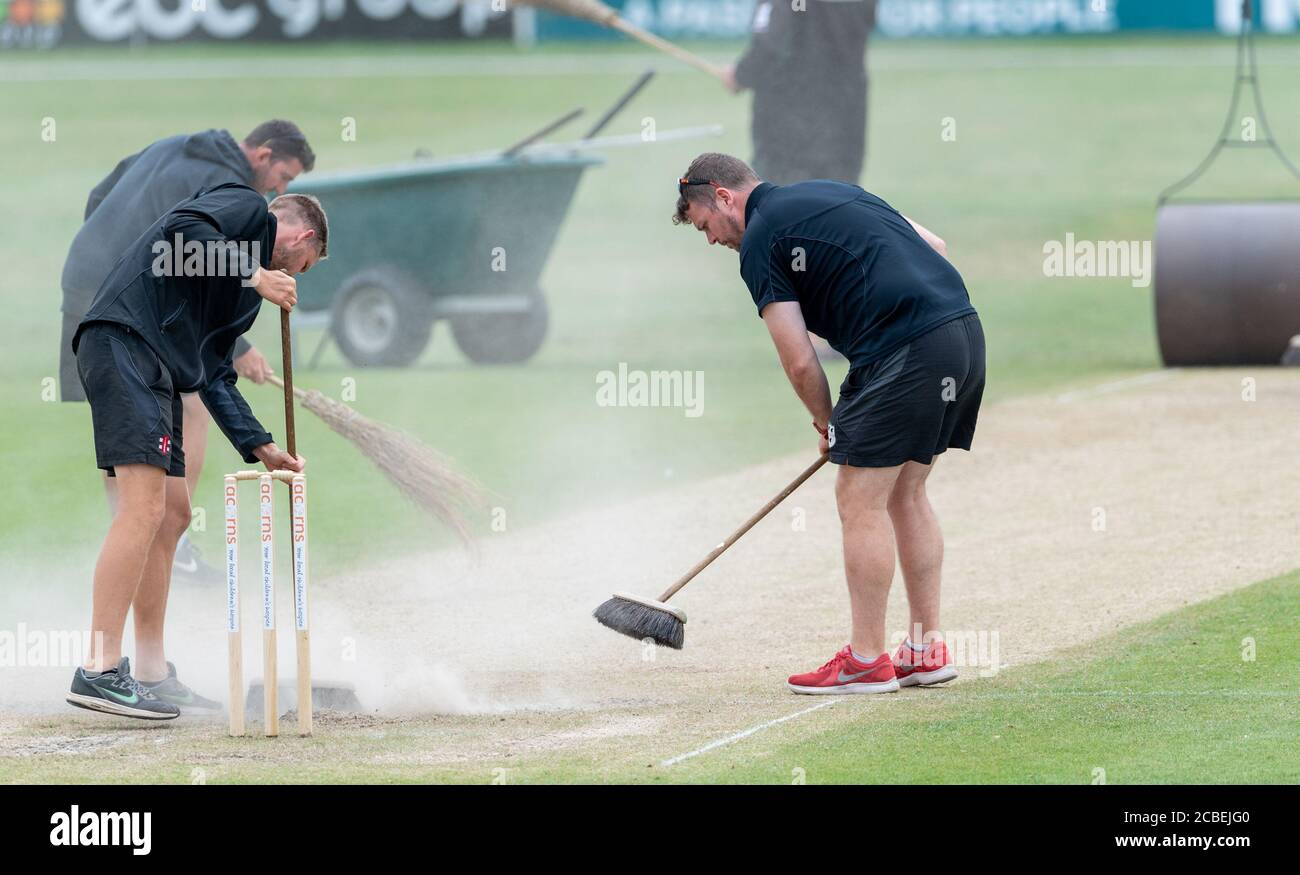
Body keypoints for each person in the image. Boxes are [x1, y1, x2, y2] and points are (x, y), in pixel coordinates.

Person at [672, 153, 984, 694]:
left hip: (904, 350)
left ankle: (865, 661)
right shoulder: (833, 190)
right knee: (906, 493)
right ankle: (924, 648)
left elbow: (797, 358)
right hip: (960, 335)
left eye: (704, 225)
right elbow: (934, 246)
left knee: (858, 497)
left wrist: (827, 421)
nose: (710, 240)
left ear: (723, 197)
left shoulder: (761, 242)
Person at [66, 186, 329, 720]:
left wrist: (262, 446)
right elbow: (180, 234)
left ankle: (151, 672)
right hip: (123, 342)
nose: (294, 278)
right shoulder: (246, 208)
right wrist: (257, 274)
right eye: (302, 266)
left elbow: (213, 372)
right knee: (142, 508)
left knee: (174, 514)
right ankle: (97, 669)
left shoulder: (242, 294)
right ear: (302, 237)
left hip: (157, 367)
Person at [60, 121, 317, 583]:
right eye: (285, 176)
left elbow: (102, 196)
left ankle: (133, 527)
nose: (280, 188)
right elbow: (184, 244)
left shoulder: (172, 147)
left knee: (121, 414)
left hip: (86, 274)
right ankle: (165, 540)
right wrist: (236, 342)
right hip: (130, 300)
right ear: (262, 155)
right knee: (188, 398)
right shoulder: (231, 189)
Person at [723, 0, 877, 185]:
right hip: (846, 126)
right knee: (839, 205)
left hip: (788, 134)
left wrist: (741, 75)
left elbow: (769, 45)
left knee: (785, 207)